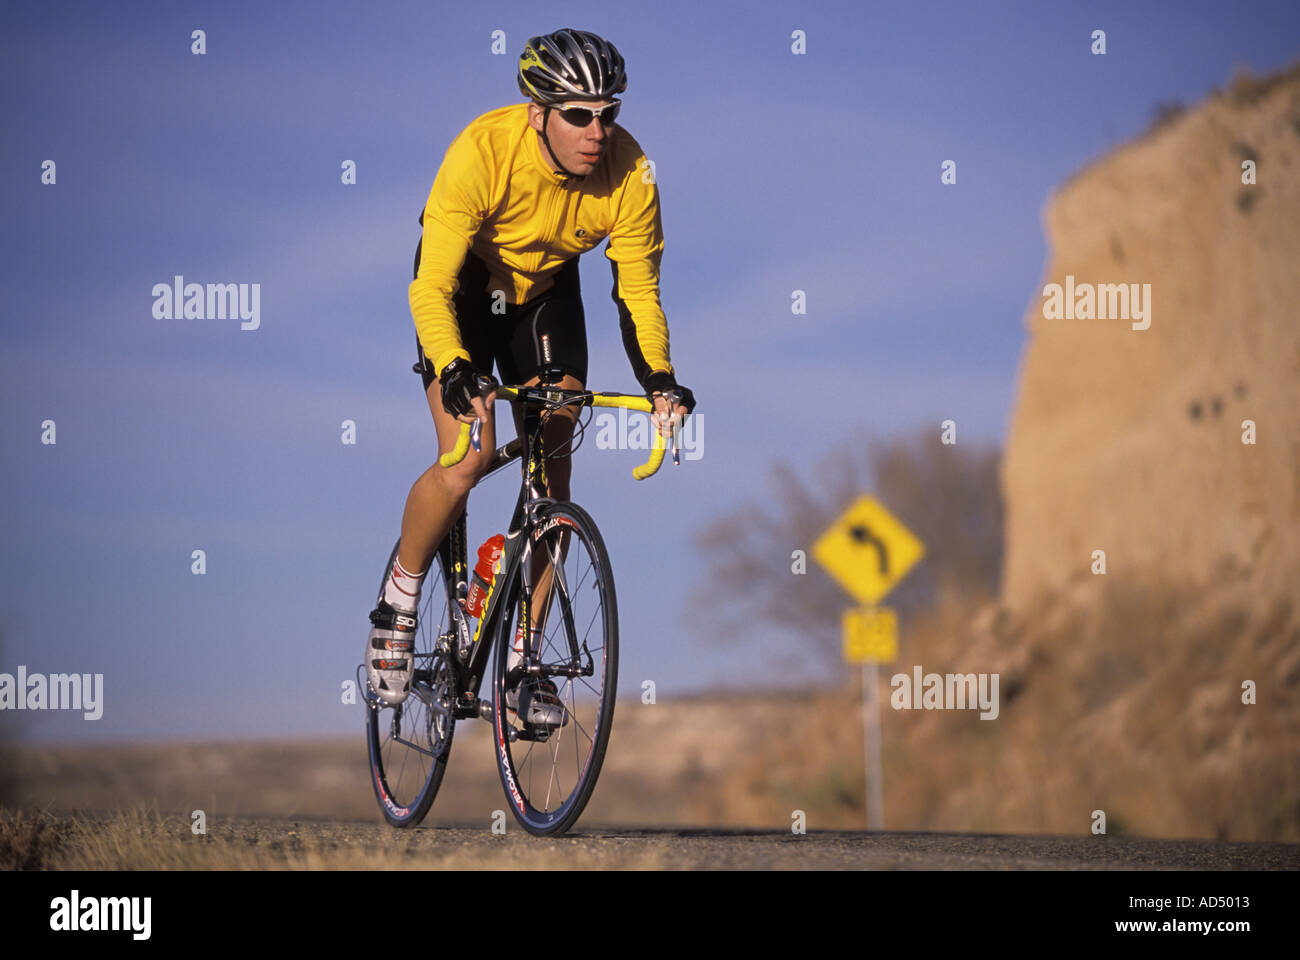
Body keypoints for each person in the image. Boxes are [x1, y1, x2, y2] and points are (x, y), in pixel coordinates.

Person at [365, 28, 696, 727]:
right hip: (464, 291)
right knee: (467, 456)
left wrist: (662, 381)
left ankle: (524, 662)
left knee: (554, 463)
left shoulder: (632, 173)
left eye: (608, 112)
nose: (597, 130)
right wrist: (456, 368)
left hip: (545, 292)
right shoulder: (483, 151)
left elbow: (638, 291)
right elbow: (429, 288)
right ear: (538, 111)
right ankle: (398, 600)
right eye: (578, 114)